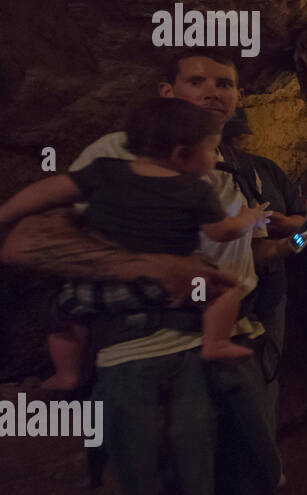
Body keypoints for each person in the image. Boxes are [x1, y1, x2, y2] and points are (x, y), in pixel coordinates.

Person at [0, 48, 307, 495]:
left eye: (223, 83)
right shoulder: (120, 154)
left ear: (239, 98)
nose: (212, 92)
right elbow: (26, 241)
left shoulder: (232, 171)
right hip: (151, 350)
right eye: (197, 81)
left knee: (245, 491)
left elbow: (248, 259)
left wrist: (299, 239)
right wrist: (150, 267)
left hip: (231, 347)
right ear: (166, 93)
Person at [0, 98, 271, 378]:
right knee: (226, 288)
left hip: (91, 289)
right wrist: (248, 219)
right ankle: (216, 343)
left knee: (59, 314)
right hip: (159, 289)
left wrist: (5, 214)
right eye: (211, 149)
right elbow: (222, 232)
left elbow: (48, 190)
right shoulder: (196, 191)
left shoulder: (105, 170)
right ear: (181, 154)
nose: (216, 157)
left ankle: (66, 375)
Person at [221, 108, 307, 463]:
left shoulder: (263, 169)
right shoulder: (204, 176)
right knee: (234, 383)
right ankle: (241, 462)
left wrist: (287, 226)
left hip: (270, 289)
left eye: (238, 137)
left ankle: (264, 460)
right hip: (225, 301)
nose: (237, 144)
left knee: (267, 372)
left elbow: (299, 218)